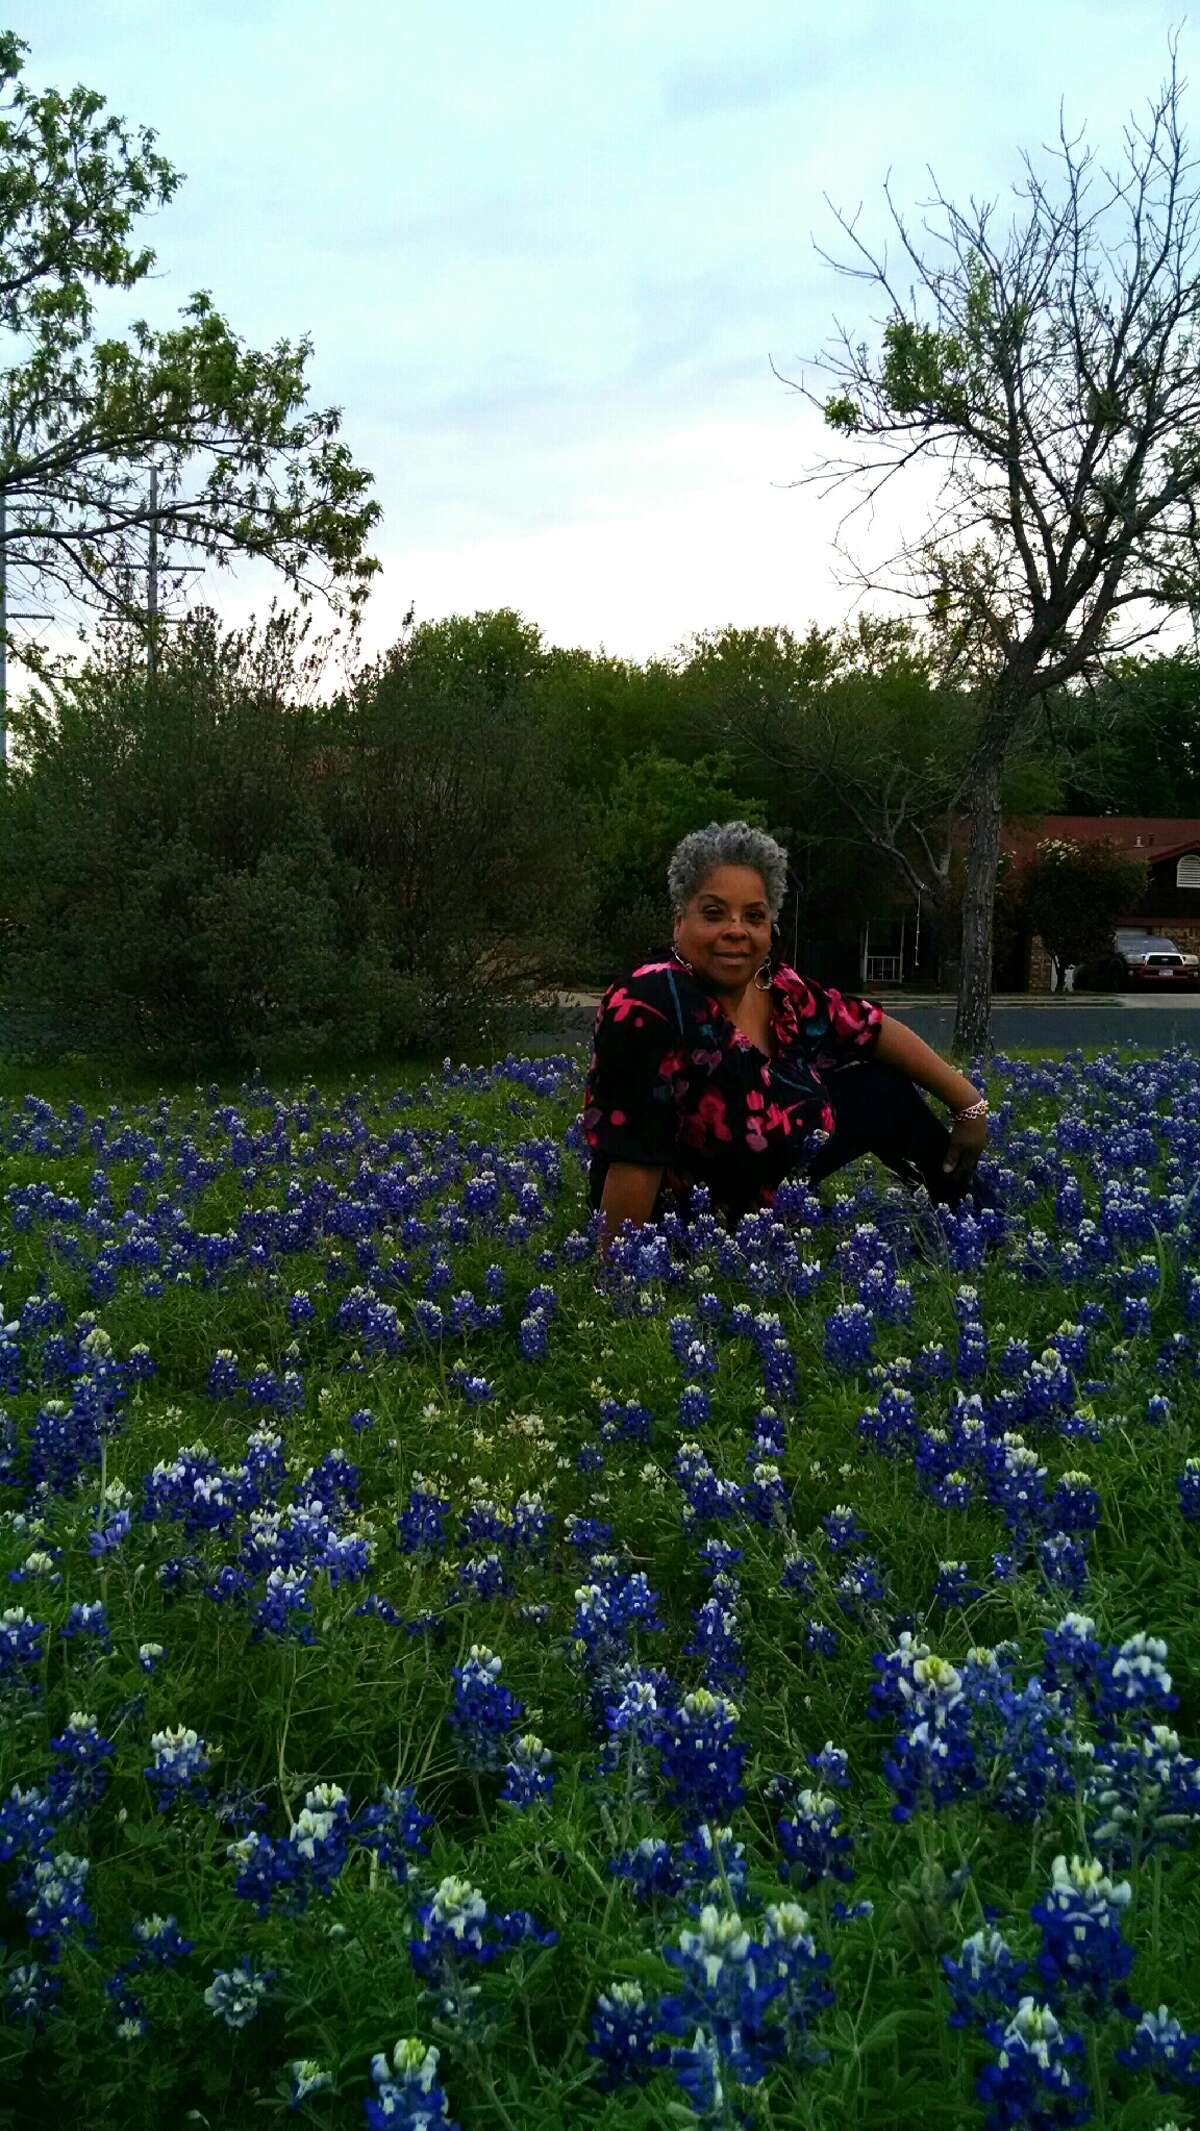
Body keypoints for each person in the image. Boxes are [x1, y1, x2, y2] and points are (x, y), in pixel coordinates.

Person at [582, 821, 990, 1255]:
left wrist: (968, 1103)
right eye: (714, 913)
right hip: (689, 1222)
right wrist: (621, 1286)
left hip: (774, 1169)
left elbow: (869, 1027)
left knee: (880, 1088)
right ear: (679, 921)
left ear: (770, 926)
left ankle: (978, 1231)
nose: (736, 930)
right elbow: (635, 1156)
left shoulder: (780, 988)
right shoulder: (650, 1001)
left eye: (753, 916)